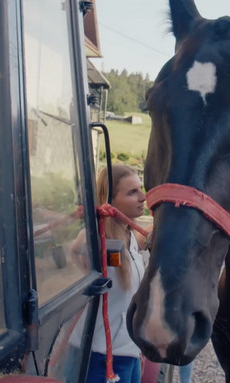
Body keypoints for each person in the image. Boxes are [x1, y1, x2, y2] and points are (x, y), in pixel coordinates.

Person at [65, 164, 147, 383]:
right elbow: (78, 247)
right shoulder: (96, 239)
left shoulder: (130, 239)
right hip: (99, 357)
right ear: (109, 201)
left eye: (140, 189)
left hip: (127, 352)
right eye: (132, 192)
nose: (143, 197)